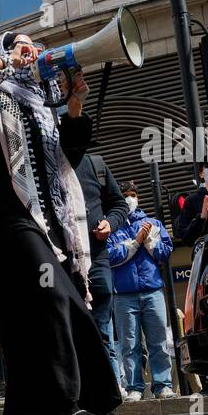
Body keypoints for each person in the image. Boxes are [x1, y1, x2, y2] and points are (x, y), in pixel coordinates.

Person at [0, 31, 121, 415]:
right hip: (5, 223)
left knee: (30, 315)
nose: (32, 49)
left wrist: (74, 105)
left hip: (44, 224)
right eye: (22, 43)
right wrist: (7, 64)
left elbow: (64, 163)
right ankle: (64, 408)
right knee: (53, 295)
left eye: (34, 44)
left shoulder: (41, 107)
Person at [62, 116, 130, 390]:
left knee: (102, 328)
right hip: (65, 261)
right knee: (72, 328)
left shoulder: (96, 164)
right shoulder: (48, 166)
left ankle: (108, 390)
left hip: (98, 259)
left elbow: (119, 205)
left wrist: (109, 224)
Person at [107, 184, 175, 400]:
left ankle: (163, 385)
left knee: (159, 342)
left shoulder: (152, 224)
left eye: (133, 195)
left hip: (153, 291)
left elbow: (165, 252)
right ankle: (135, 388)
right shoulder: (112, 228)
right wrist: (135, 242)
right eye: (125, 196)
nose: (129, 199)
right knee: (129, 345)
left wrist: (149, 241)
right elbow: (111, 257)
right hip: (123, 295)